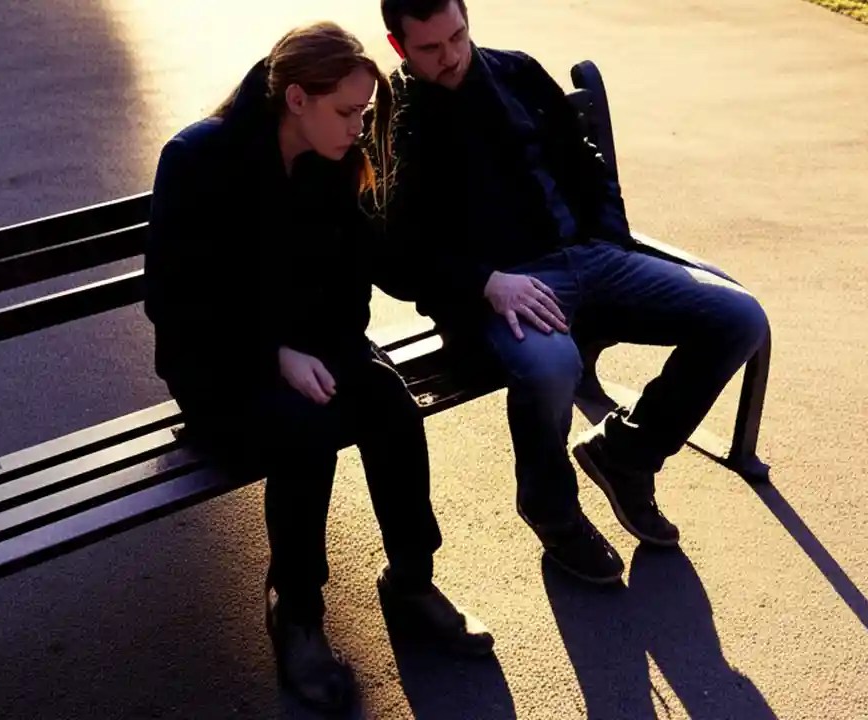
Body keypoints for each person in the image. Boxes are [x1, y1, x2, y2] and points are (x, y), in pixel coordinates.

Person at [143, 21, 493, 714]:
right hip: (219, 369)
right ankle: (295, 611)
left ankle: (411, 578)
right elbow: (173, 301)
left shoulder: (335, 162)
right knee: (307, 430)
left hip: (316, 351)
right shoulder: (200, 158)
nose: (358, 128)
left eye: (364, 113)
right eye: (345, 113)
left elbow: (363, 274)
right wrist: (273, 352)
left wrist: (477, 284)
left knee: (390, 404)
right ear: (296, 98)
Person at [378, 0, 771, 584]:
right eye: (431, 49)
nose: (452, 55)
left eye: (458, 36)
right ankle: (552, 508)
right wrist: (484, 282)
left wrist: (610, 240)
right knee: (551, 365)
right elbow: (391, 249)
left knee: (739, 317)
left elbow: (587, 168)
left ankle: (627, 454)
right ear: (398, 45)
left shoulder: (515, 71)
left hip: (592, 258)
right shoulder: (392, 117)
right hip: (499, 291)